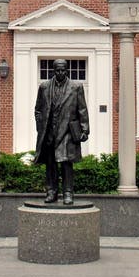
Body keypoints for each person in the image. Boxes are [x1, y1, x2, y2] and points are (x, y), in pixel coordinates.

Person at [33, 58, 90, 205]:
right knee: (50, 164)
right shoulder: (44, 87)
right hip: (49, 132)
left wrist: (85, 129)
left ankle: (68, 193)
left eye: (63, 70)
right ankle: (51, 192)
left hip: (67, 132)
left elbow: (82, 109)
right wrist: (41, 127)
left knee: (66, 164)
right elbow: (38, 109)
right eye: (57, 70)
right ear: (53, 70)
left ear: (67, 70)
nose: (60, 73)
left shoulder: (76, 87)